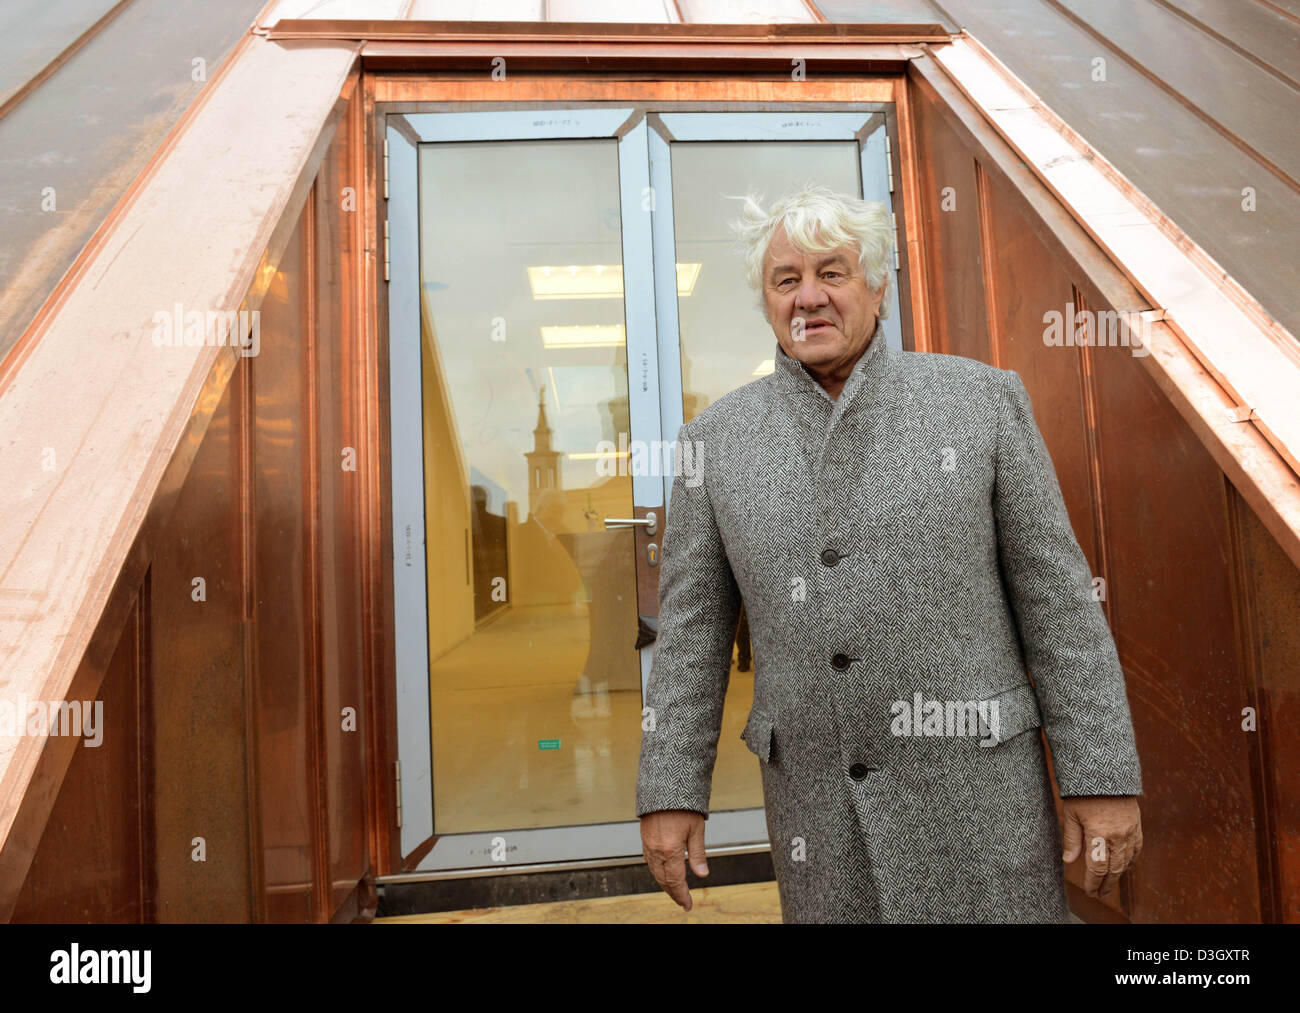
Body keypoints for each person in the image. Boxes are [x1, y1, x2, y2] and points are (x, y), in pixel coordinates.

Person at [635, 185, 1143, 923]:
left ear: (877, 284)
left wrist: (1100, 774)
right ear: (768, 301)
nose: (808, 297)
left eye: (832, 273)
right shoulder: (714, 443)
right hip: (820, 815)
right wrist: (671, 791)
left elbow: (1060, 606)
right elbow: (690, 639)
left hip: (981, 799)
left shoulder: (980, 402)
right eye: (786, 280)